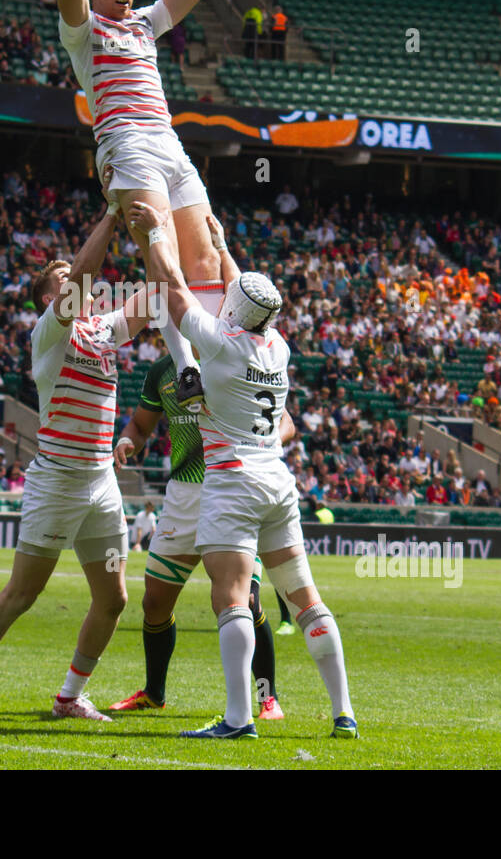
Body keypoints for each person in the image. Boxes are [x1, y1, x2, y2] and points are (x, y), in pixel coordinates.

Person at [129, 202, 358, 741]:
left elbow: (171, 287)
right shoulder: (276, 346)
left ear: (234, 309)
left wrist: (157, 233)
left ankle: (238, 719)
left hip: (231, 478)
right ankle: (343, 712)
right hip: (277, 479)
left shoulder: (218, 345)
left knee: (230, 598)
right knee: (305, 598)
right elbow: (250, 297)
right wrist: (224, 247)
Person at [0, 203, 154, 720]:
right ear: (46, 298)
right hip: (57, 480)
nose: (76, 280)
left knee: (114, 598)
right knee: (22, 594)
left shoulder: (102, 331)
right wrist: (110, 216)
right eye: (61, 278)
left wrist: (153, 234)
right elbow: (82, 276)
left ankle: (69, 696)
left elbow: (158, 299)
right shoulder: (49, 333)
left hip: (100, 479)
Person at [58, 0, 219, 412]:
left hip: (169, 146)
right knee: (160, 252)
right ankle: (189, 366)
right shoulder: (84, 32)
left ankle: (214, 361)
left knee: (206, 269)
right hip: (125, 144)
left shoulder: (147, 25)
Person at [110, 352, 293, 719]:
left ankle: (266, 697)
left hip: (231, 491)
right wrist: (128, 441)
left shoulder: (233, 352)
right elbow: (141, 426)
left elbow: (284, 421)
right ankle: (154, 692)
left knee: (246, 601)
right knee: (155, 603)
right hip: (182, 496)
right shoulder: (163, 369)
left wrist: (268, 441)